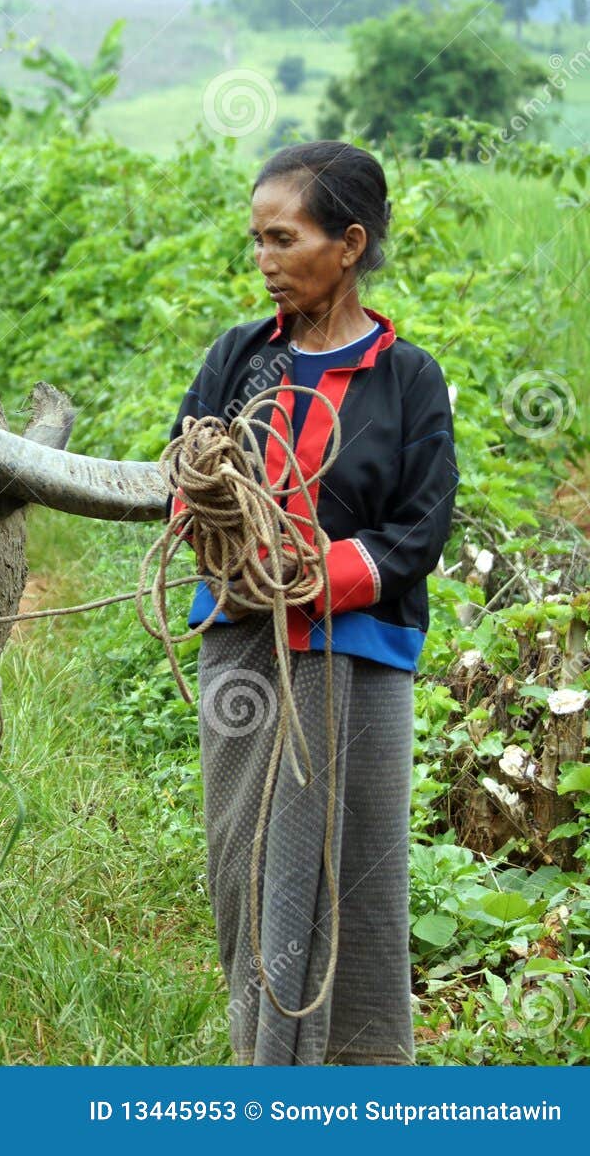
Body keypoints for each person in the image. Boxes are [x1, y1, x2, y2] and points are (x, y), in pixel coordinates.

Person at [167, 142, 458, 1064]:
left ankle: (363, 1084)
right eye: (256, 240)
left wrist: (313, 571)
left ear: (349, 244)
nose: (263, 259)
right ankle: (268, 1075)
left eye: (283, 238)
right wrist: (219, 525)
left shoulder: (407, 379)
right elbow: (186, 468)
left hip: (358, 663)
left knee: (355, 881)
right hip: (242, 654)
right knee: (243, 873)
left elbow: (420, 526)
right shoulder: (238, 359)